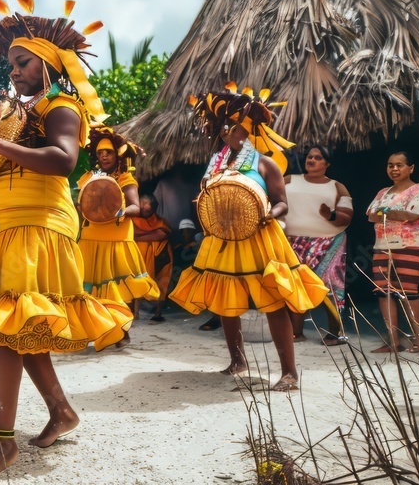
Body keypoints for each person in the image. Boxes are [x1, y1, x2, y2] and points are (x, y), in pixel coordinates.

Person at [0, 8, 133, 480]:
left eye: (24, 62)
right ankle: (61, 411)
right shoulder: (15, 116)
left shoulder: (62, 108)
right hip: (13, 225)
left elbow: (64, 160)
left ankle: (1, 444)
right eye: (11, 65)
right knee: (20, 327)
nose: (15, 72)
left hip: (43, 226)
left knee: (5, 327)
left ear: (48, 65)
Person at [170, 85, 329, 392]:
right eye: (226, 127)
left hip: (259, 236)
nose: (230, 131)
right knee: (226, 299)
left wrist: (270, 213)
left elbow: (282, 201)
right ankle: (238, 360)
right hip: (223, 238)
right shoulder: (215, 162)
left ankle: (289, 373)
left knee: (272, 301)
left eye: (235, 126)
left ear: (248, 129)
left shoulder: (264, 162)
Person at [77, 125, 160, 322]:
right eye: (100, 153)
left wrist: (118, 213)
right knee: (91, 289)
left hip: (117, 240)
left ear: (117, 155)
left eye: (109, 152)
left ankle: (122, 328)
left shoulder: (125, 178)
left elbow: (136, 207)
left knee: (123, 288)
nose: (104, 156)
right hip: (91, 240)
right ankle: (100, 326)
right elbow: (82, 206)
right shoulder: (89, 178)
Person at [283, 146, 352, 345]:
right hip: (292, 241)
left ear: (327, 164)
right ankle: (296, 331)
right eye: (310, 157)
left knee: (330, 288)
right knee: (295, 286)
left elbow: (346, 217)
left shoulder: (337, 186)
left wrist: (329, 215)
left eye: (318, 157)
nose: (312, 160)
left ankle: (335, 332)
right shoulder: (288, 180)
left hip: (329, 242)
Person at [366, 151, 419, 353]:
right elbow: (370, 216)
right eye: (390, 165)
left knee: (408, 293)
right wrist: (395, 213)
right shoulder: (383, 192)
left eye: (400, 165)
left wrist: (384, 212)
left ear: (410, 168)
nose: (394, 169)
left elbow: (412, 215)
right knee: (384, 293)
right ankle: (392, 341)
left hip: (409, 246)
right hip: (382, 246)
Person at [132, 193, 172, 322]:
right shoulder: (131, 220)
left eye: (148, 204)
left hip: (161, 255)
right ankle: (135, 313)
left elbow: (161, 234)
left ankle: (158, 313)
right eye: (143, 203)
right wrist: (150, 234)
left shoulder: (159, 221)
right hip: (138, 257)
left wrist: (138, 238)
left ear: (153, 207)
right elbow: (131, 232)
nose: (145, 206)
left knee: (162, 282)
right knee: (137, 282)